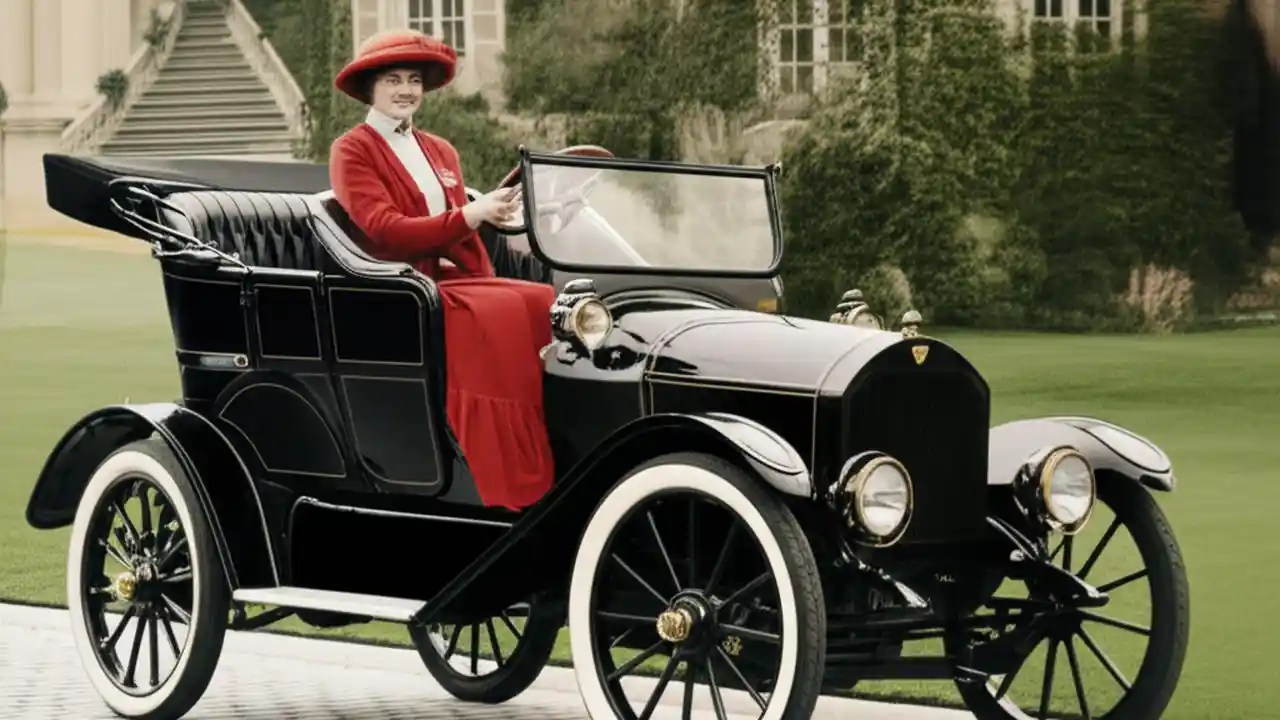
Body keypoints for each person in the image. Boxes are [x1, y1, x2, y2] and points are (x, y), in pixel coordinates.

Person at [329, 29, 555, 510]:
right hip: (399, 288)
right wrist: (471, 215)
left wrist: (497, 216)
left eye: (413, 80)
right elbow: (386, 230)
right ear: (370, 88)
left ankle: (550, 447)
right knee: (498, 314)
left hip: (453, 278)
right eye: (393, 80)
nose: (406, 90)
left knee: (543, 301)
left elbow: (455, 223)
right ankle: (501, 483)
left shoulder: (440, 149)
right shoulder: (352, 150)